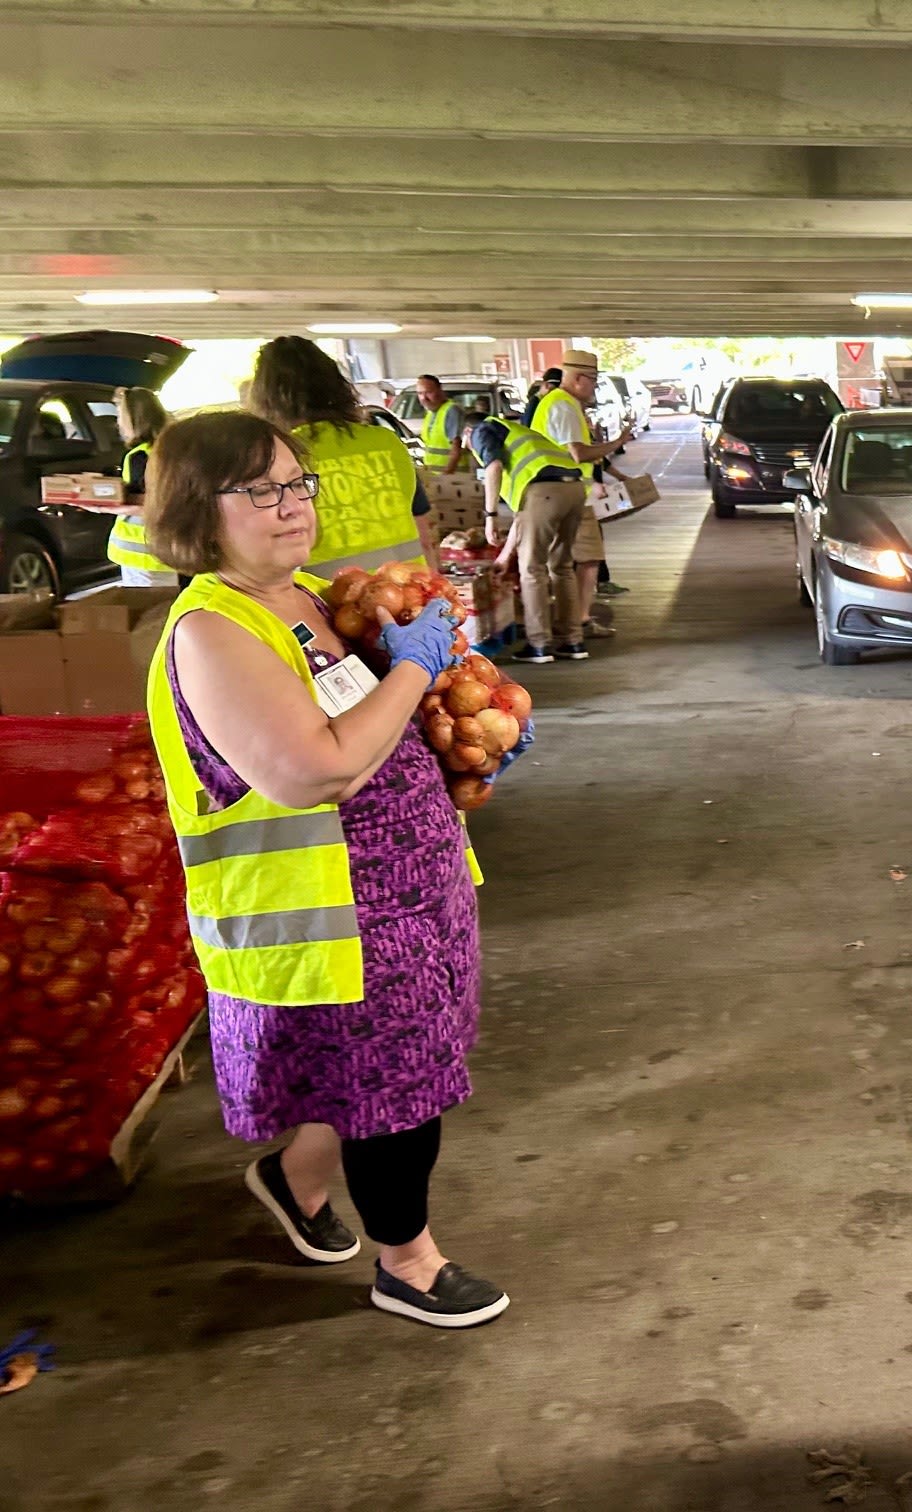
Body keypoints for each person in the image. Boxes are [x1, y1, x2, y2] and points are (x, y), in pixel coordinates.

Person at [140, 409, 509, 1327]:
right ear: (195, 507)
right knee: (396, 1094)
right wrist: (411, 675)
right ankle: (408, 1264)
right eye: (258, 490)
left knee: (378, 1074)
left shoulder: (303, 597)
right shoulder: (214, 633)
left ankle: (294, 1178)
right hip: (333, 914)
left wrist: (472, 737)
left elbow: (380, 727)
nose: (289, 506)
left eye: (295, 483)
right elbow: (316, 768)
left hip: (407, 892)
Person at [245, 336, 439, 577]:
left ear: (266, 397)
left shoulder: (282, 455)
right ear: (336, 385)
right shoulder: (386, 442)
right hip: (407, 593)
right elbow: (422, 528)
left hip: (330, 600)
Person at [464, 412, 589, 665]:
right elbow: (524, 516)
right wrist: (505, 554)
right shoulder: (516, 433)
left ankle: (539, 644)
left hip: (543, 493)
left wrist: (490, 516)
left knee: (532, 570)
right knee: (562, 567)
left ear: (467, 431)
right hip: (574, 489)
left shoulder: (482, 430)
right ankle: (573, 641)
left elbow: (494, 467)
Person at [531, 348, 633, 649]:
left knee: (574, 562)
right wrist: (616, 443)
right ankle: (569, 628)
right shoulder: (563, 406)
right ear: (578, 379)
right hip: (564, 494)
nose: (594, 387)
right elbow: (577, 453)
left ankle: (574, 624)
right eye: (593, 380)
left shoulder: (560, 404)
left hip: (562, 493)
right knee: (577, 562)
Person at [108, 387, 176, 586]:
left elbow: (146, 502)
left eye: (120, 415)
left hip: (141, 554)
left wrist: (106, 505)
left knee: (149, 611)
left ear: (133, 419)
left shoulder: (139, 456)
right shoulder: (168, 449)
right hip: (165, 547)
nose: (118, 422)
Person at [414, 374, 466, 475]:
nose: (424, 398)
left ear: (440, 390)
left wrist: (446, 476)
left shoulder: (452, 411)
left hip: (453, 480)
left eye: (428, 392)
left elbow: (456, 449)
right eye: (420, 393)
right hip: (434, 478)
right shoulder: (431, 413)